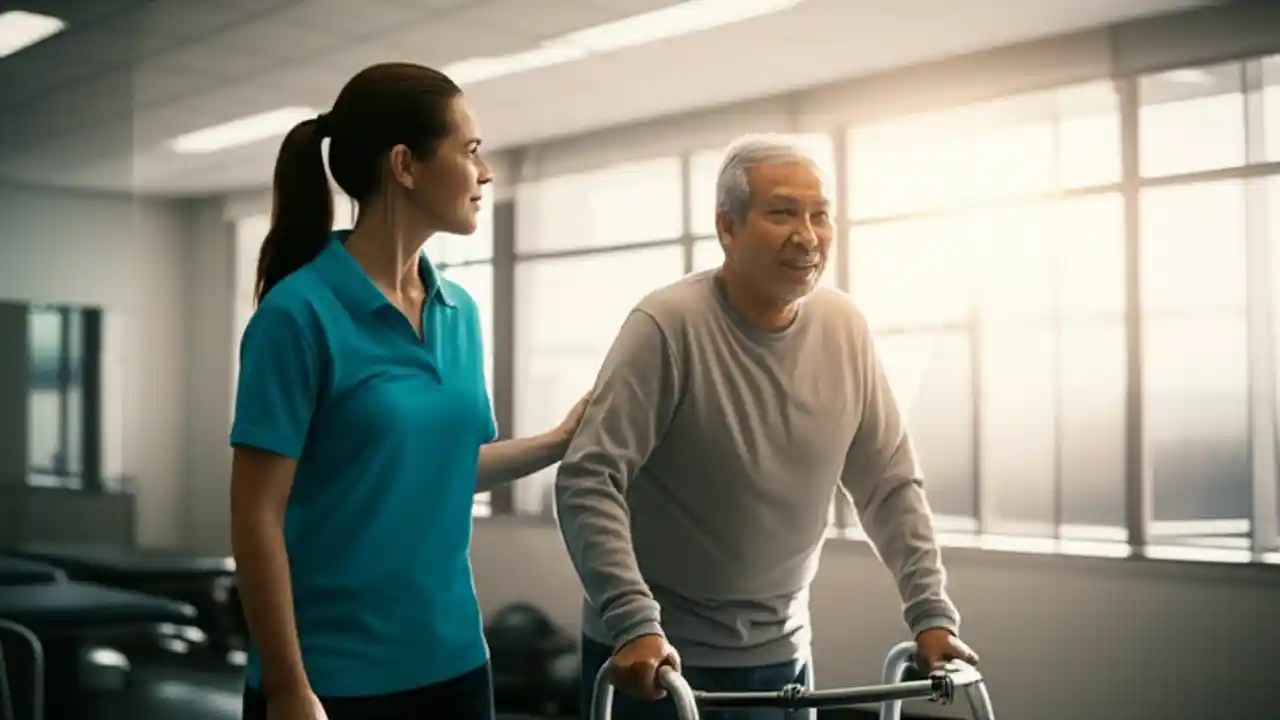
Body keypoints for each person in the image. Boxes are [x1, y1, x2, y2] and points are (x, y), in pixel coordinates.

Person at [554, 134, 980, 720]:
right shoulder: (666, 325)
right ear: (727, 227)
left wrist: (931, 612)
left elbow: (888, 484)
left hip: (782, 653)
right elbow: (588, 480)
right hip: (656, 663)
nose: (807, 235)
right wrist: (633, 621)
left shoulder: (844, 327)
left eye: (820, 215)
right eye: (783, 213)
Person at [229, 62, 587, 720]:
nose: (485, 173)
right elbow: (255, 516)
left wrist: (561, 441)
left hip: (453, 663)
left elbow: (443, 467)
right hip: (330, 679)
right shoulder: (297, 316)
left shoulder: (460, 313)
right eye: (470, 150)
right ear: (405, 164)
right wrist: (286, 686)